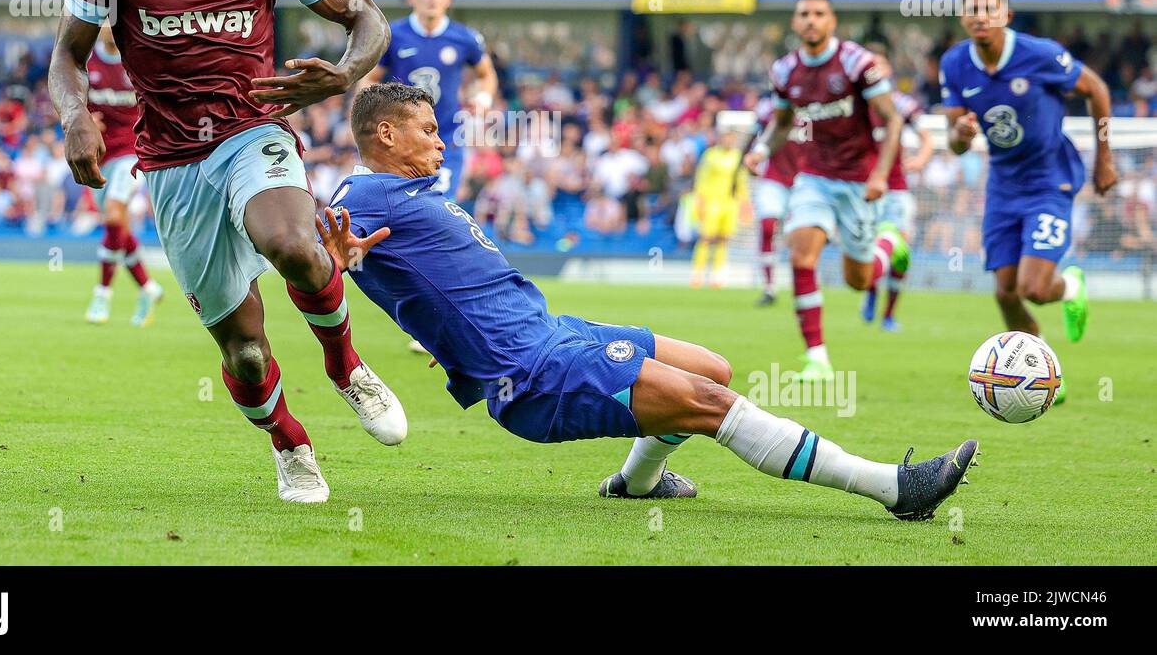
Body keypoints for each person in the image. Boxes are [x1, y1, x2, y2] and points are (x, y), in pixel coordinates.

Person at [318, 83, 978, 520]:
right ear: (383, 135)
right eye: (428, 130)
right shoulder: (361, 200)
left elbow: (435, 284)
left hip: (553, 331)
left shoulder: (413, 194)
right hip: (535, 374)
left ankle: (635, 483)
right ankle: (893, 488)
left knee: (712, 369)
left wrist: (447, 337)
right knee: (711, 405)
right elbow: (318, 250)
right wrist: (333, 262)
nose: (441, 140)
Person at [49, 0, 406, 504]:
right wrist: (75, 116)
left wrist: (343, 75)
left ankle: (347, 367)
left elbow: (364, 14)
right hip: (171, 161)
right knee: (243, 352)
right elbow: (68, 56)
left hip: (251, 129)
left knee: (293, 244)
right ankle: (290, 444)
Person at [940, 0, 1116, 405]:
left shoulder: (1040, 55)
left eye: (989, 8)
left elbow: (1097, 89)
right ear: (963, 18)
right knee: (1004, 292)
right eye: (972, 9)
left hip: (1049, 179)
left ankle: (1069, 287)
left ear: (1006, 16)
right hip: (1003, 183)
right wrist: (961, 134)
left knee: (1033, 288)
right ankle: (1044, 373)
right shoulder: (955, 64)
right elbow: (954, 140)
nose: (980, 16)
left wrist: (1104, 156)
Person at [744, 0, 907, 381]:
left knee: (859, 280)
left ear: (832, 21)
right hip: (813, 178)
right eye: (804, 14)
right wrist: (761, 149)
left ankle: (890, 244)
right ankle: (817, 358)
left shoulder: (857, 63)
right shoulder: (784, 71)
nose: (811, 20)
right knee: (801, 258)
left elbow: (893, 120)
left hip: (858, 181)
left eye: (819, 14)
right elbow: (783, 123)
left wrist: (881, 175)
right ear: (795, 23)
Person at [359, 0, 497, 200]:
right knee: (399, 204)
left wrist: (483, 98)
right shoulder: (392, 36)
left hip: (446, 136)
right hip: (400, 137)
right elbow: (368, 80)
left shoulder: (464, 38)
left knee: (439, 205)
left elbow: (486, 75)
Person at [82, 25, 165, 327]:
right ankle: (148, 287)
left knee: (115, 217)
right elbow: (66, 99)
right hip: (97, 157)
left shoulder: (139, 61)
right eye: (104, 19)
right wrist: (83, 119)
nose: (110, 26)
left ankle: (102, 293)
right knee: (118, 228)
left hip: (132, 153)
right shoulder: (86, 61)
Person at [860, 43, 934, 332]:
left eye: (879, 64)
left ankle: (888, 314)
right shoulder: (855, 105)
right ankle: (869, 292)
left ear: (888, 69)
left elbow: (926, 136)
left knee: (900, 254)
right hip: (864, 193)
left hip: (896, 191)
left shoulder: (899, 102)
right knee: (871, 251)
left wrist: (922, 158)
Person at [742, 93, 808, 306]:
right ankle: (769, 287)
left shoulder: (817, 105)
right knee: (768, 227)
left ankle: (803, 287)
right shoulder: (768, 107)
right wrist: (747, 159)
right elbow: (754, 135)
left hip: (806, 181)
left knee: (801, 237)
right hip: (774, 177)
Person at [688, 127, 747, 289]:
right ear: (721, 139)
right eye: (727, 138)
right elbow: (701, 179)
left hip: (729, 203)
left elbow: (741, 181)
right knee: (706, 238)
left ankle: (717, 276)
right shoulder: (710, 155)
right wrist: (699, 201)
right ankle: (697, 274)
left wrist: (744, 203)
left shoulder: (737, 157)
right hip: (711, 201)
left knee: (723, 239)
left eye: (732, 138)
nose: (729, 141)